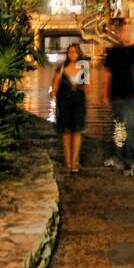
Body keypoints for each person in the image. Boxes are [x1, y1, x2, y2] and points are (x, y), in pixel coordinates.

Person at [103, 44, 134, 175]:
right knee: (117, 126)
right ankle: (116, 156)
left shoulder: (133, 50)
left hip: (129, 94)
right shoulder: (113, 50)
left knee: (129, 127)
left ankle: (133, 160)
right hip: (116, 94)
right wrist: (105, 92)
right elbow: (108, 73)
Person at [51, 43, 88, 173]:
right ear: (67, 54)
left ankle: (74, 161)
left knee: (77, 132)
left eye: (74, 52)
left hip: (79, 103)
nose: (72, 54)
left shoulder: (84, 69)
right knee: (66, 132)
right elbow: (54, 84)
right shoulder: (61, 68)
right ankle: (67, 162)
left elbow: (88, 87)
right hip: (64, 103)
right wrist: (53, 93)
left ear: (79, 54)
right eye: (69, 52)